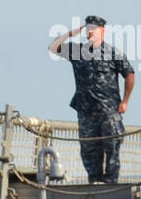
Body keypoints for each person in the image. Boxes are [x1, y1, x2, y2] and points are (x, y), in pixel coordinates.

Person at [48, 15, 135, 183]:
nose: (89, 31)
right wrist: (70, 33)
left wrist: (125, 101)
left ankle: (110, 184)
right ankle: (94, 182)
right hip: (86, 111)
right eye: (87, 28)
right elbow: (53, 48)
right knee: (89, 151)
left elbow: (129, 74)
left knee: (112, 149)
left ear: (101, 31)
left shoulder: (112, 53)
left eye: (93, 28)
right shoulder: (78, 51)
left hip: (108, 111)